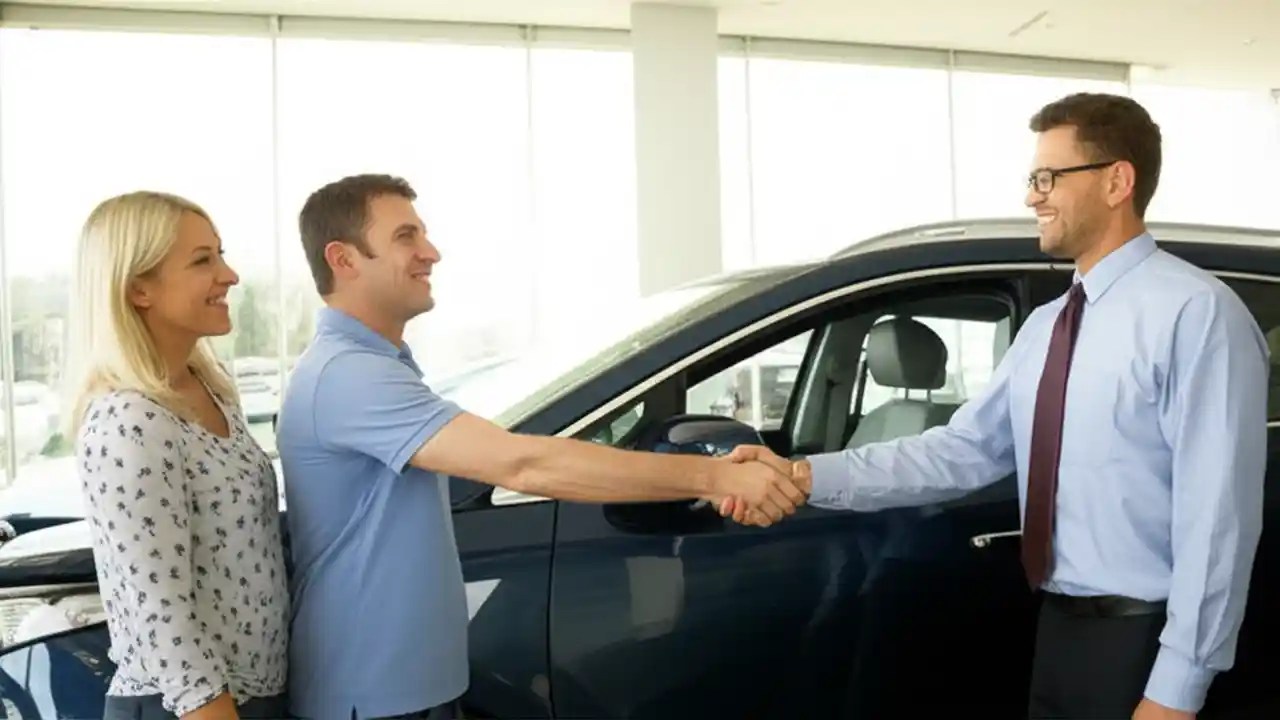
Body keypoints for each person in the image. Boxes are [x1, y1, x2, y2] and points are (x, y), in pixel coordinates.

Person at [721, 92, 1269, 720]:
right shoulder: (1047, 326)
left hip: (1145, 641)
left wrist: (1177, 689)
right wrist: (803, 474)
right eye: (1032, 179)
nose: (1032, 196)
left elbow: (1217, 519)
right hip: (1062, 631)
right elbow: (964, 451)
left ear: (1118, 180)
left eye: (1048, 177)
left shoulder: (1196, 314)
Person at [275, 173, 806, 720]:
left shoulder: (377, 367)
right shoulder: (349, 376)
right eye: (406, 236)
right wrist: (714, 477)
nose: (430, 252)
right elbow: (522, 463)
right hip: (373, 698)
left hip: (404, 689)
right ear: (343, 259)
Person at [65, 192, 290, 720]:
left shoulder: (212, 390)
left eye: (220, 254)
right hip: (190, 708)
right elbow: (159, 613)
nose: (229, 275)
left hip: (253, 696)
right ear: (138, 288)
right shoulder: (128, 419)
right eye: (202, 260)